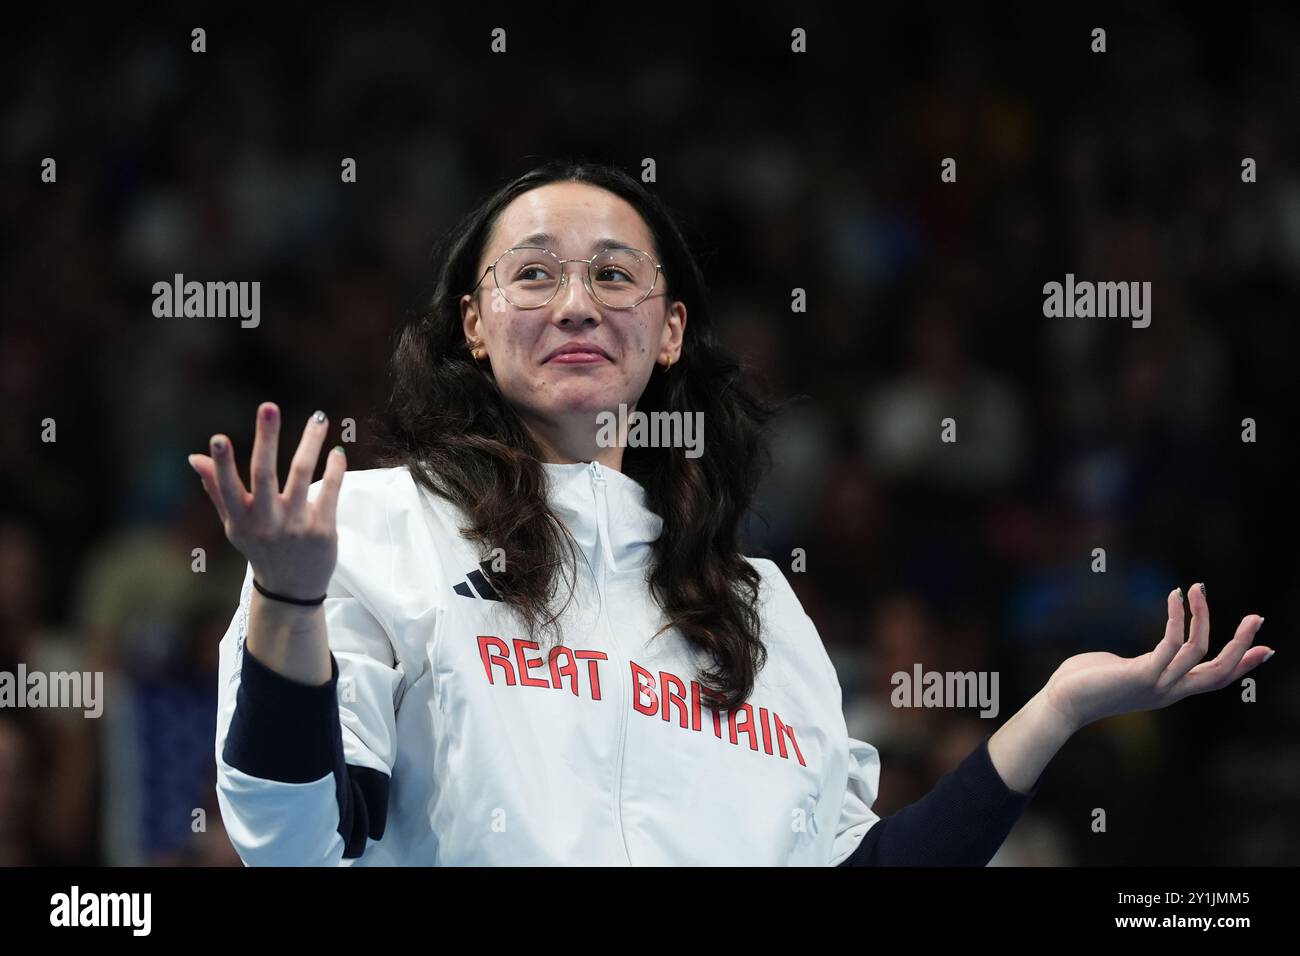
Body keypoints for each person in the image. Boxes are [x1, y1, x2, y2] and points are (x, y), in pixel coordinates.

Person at [190, 161, 1273, 866]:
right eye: (533, 275)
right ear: (474, 323)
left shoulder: (752, 605)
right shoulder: (373, 529)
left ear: (667, 331)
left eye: (615, 275)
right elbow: (296, 838)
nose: (576, 302)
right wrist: (287, 596)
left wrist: (1054, 711)